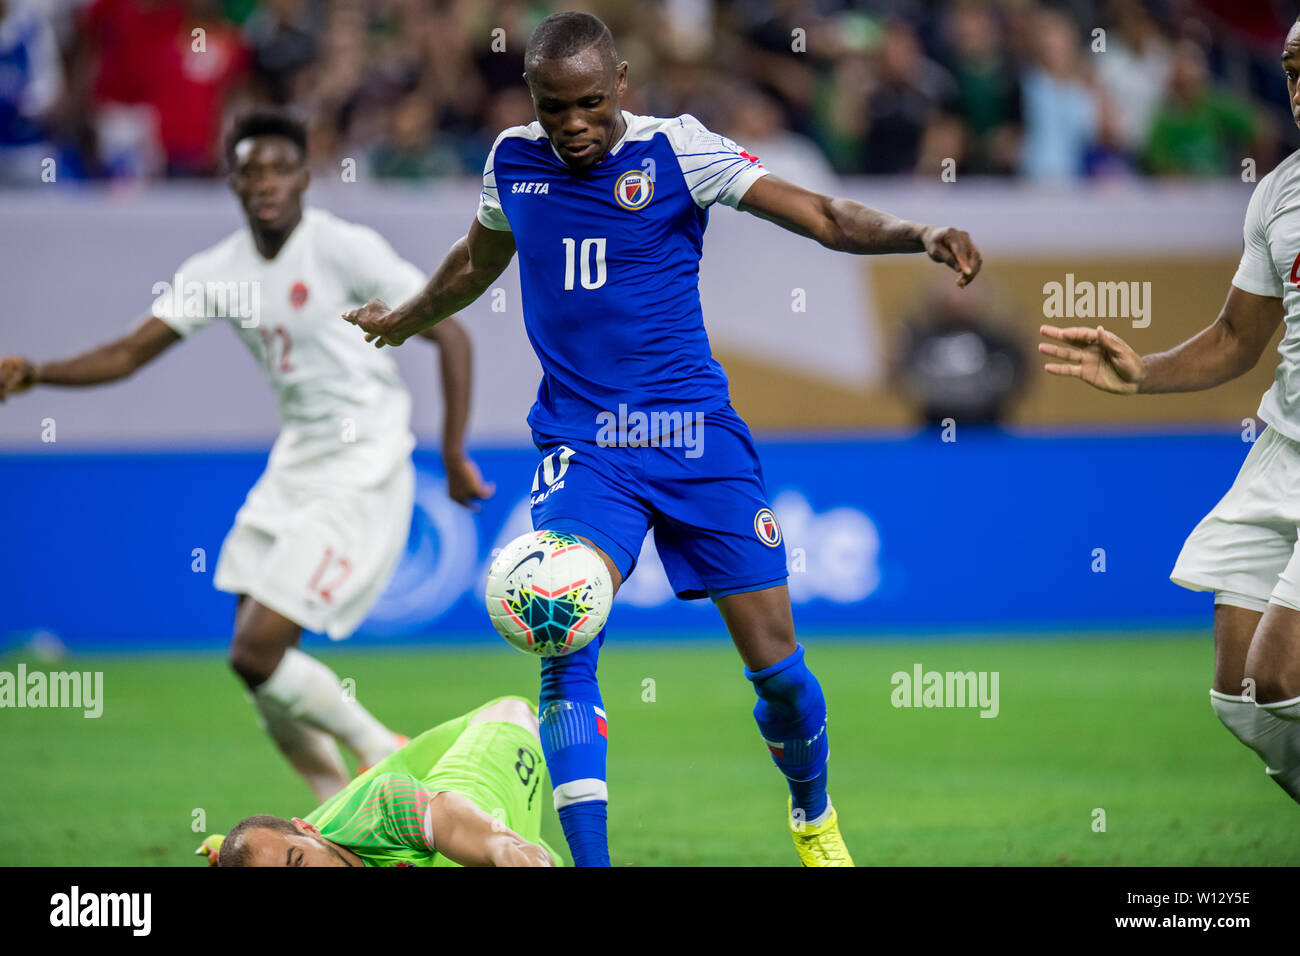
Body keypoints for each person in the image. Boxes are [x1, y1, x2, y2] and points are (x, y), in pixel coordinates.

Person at [343, 11, 982, 867]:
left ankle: (814, 817)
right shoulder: (511, 161)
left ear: (623, 87)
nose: (573, 125)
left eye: (591, 105)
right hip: (586, 447)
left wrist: (918, 233)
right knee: (559, 629)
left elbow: (824, 215)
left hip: (695, 440)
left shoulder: (678, 151)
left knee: (779, 671)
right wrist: (407, 316)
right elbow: (477, 259)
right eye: (553, 107)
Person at [0, 108, 493, 802]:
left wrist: (452, 451)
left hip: (363, 460)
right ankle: (332, 807)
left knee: (256, 651)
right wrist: (39, 373)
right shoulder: (217, 271)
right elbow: (128, 353)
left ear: (305, 177)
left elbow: (452, 334)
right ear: (231, 181)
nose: (265, 182)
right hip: (295, 464)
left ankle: (384, 753)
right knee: (254, 667)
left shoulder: (341, 247)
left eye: (279, 168)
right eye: (250, 170)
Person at [1038, 16, 1300, 808]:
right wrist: (1140, 374)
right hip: (1284, 451)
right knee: (1239, 695)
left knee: (1279, 673)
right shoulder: (1281, 193)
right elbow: (1234, 337)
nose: (1299, 86)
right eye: (1290, 68)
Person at [207, 696, 559, 867]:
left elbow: (480, 834)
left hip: (485, 777)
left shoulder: (383, 810)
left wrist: (509, 850)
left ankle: (382, 750)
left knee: (511, 713)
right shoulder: (306, 843)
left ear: (309, 831)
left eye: (298, 863)